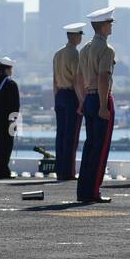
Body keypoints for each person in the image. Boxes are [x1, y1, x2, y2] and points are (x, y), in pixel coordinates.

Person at [77, 7, 116, 202]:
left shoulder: (84, 49)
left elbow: (78, 78)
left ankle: (84, 190)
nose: (111, 26)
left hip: (88, 98)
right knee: (100, 148)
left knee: (90, 146)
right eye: (109, 23)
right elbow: (103, 78)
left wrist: (83, 100)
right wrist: (103, 106)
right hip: (101, 98)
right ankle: (93, 191)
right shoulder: (107, 50)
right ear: (102, 26)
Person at [52, 22, 85, 181]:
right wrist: (81, 101)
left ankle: (60, 170)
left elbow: (54, 81)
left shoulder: (58, 53)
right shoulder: (75, 54)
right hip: (72, 95)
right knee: (71, 136)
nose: (80, 37)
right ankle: (68, 171)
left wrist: (56, 98)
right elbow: (77, 80)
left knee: (61, 134)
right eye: (79, 35)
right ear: (74, 36)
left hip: (60, 95)